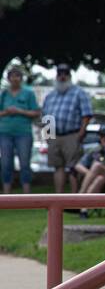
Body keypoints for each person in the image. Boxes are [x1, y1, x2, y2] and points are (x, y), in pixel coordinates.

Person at [40, 63, 93, 195]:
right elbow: (46, 117)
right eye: (60, 74)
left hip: (72, 134)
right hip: (54, 135)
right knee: (58, 167)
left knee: (73, 167)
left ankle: (74, 199)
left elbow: (86, 115)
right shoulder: (50, 95)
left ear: (69, 76)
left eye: (65, 74)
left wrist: (81, 133)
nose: (62, 77)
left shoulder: (79, 93)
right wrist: (47, 136)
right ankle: (59, 197)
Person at [0, 65, 40, 194]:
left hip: (24, 133)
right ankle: (6, 193)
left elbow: (36, 112)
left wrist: (19, 111)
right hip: (5, 132)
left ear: (21, 78)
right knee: (6, 163)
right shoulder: (4, 94)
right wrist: (7, 112)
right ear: (8, 78)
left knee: (24, 163)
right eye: (12, 76)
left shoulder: (29, 93)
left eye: (18, 76)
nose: (15, 79)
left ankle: (26, 193)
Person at [73, 130, 105, 204]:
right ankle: (83, 208)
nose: (104, 139)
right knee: (100, 178)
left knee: (97, 166)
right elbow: (78, 166)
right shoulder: (96, 150)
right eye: (102, 136)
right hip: (101, 180)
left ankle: (79, 197)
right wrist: (91, 173)